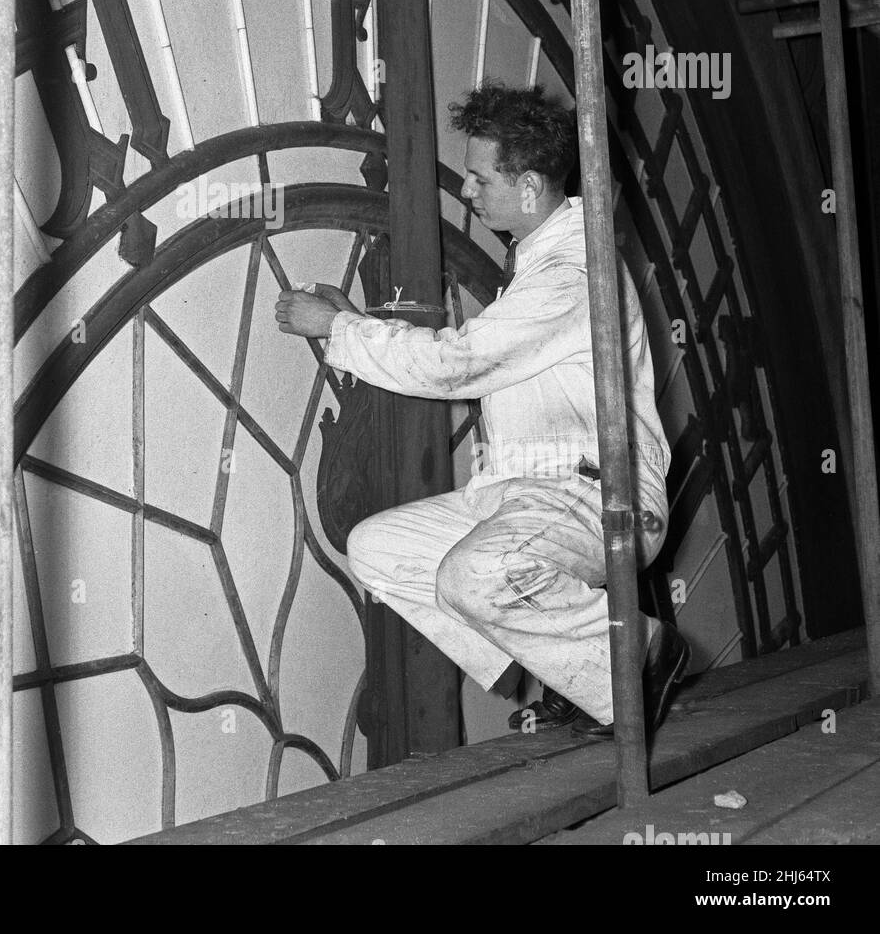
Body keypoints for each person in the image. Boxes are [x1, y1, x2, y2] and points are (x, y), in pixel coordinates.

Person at [275, 80, 688, 737]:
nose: (467, 191)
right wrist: (350, 322)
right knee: (376, 548)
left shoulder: (571, 276)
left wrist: (336, 330)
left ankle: (636, 654)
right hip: (525, 494)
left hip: (600, 497)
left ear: (528, 188)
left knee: (476, 573)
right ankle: (571, 674)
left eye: (479, 177)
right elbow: (479, 359)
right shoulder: (535, 264)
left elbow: (462, 361)